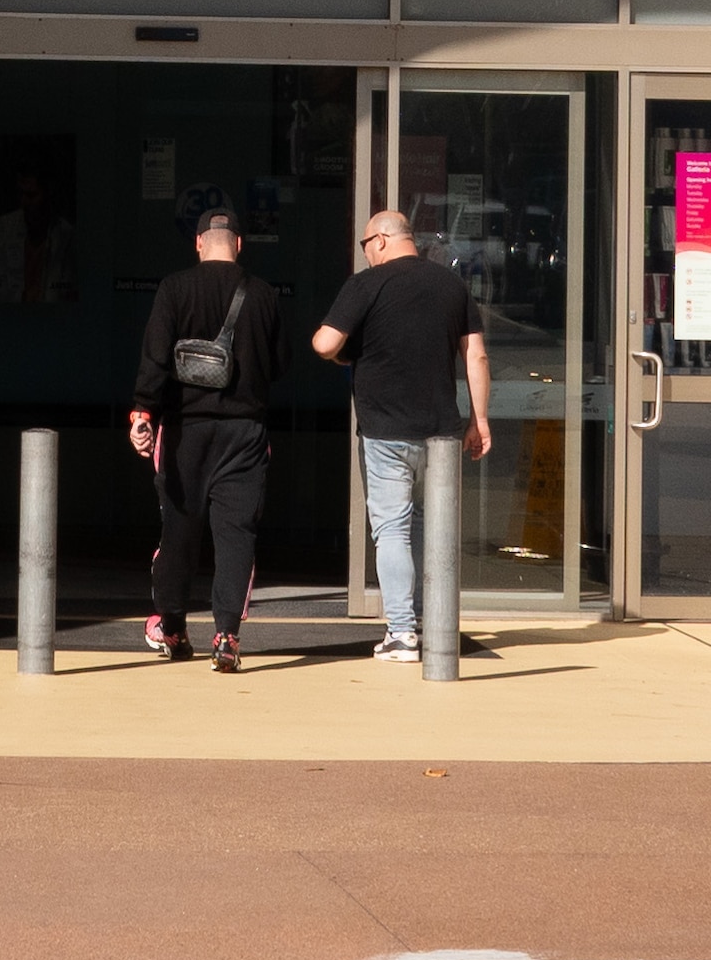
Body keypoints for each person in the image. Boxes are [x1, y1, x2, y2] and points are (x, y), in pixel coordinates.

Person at [314, 202, 491, 660]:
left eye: (365, 244)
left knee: (392, 530)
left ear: (382, 240)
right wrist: (480, 420)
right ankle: (433, 623)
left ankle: (401, 632)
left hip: (385, 431)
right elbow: (475, 356)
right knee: (431, 528)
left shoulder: (366, 284)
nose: (365, 253)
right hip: (441, 433)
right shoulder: (451, 285)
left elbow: (325, 343)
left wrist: (345, 355)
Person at [127, 204, 283, 670]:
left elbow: (155, 357)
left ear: (198, 243)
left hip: (183, 432)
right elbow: (281, 364)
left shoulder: (174, 288)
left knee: (178, 529)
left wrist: (142, 413)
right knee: (236, 535)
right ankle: (227, 636)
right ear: (239, 244)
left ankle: (173, 627)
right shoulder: (263, 294)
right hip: (245, 433)